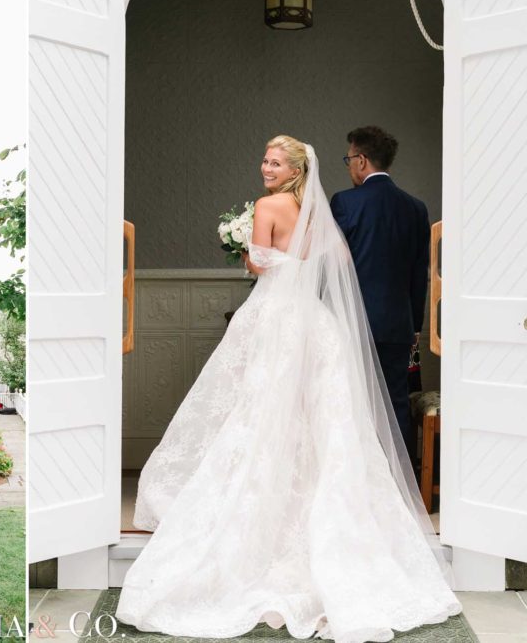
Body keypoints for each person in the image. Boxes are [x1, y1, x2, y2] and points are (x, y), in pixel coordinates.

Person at [116, 135, 460, 642]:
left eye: (275, 162)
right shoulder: (320, 211)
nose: (266, 168)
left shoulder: (267, 206)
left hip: (275, 314)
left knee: (258, 408)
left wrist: (249, 250)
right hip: (317, 321)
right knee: (320, 415)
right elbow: (341, 263)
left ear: (295, 170)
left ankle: (263, 509)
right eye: (264, 160)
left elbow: (258, 262)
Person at [330, 126, 429, 471]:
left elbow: (334, 265)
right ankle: (399, 480)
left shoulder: (345, 202)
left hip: (354, 321)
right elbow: (419, 273)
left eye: (348, 159)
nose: (349, 167)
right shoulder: (416, 208)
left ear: (361, 160)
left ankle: (360, 478)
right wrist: (415, 325)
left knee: (352, 402)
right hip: (399, 323)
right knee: (396, 402)